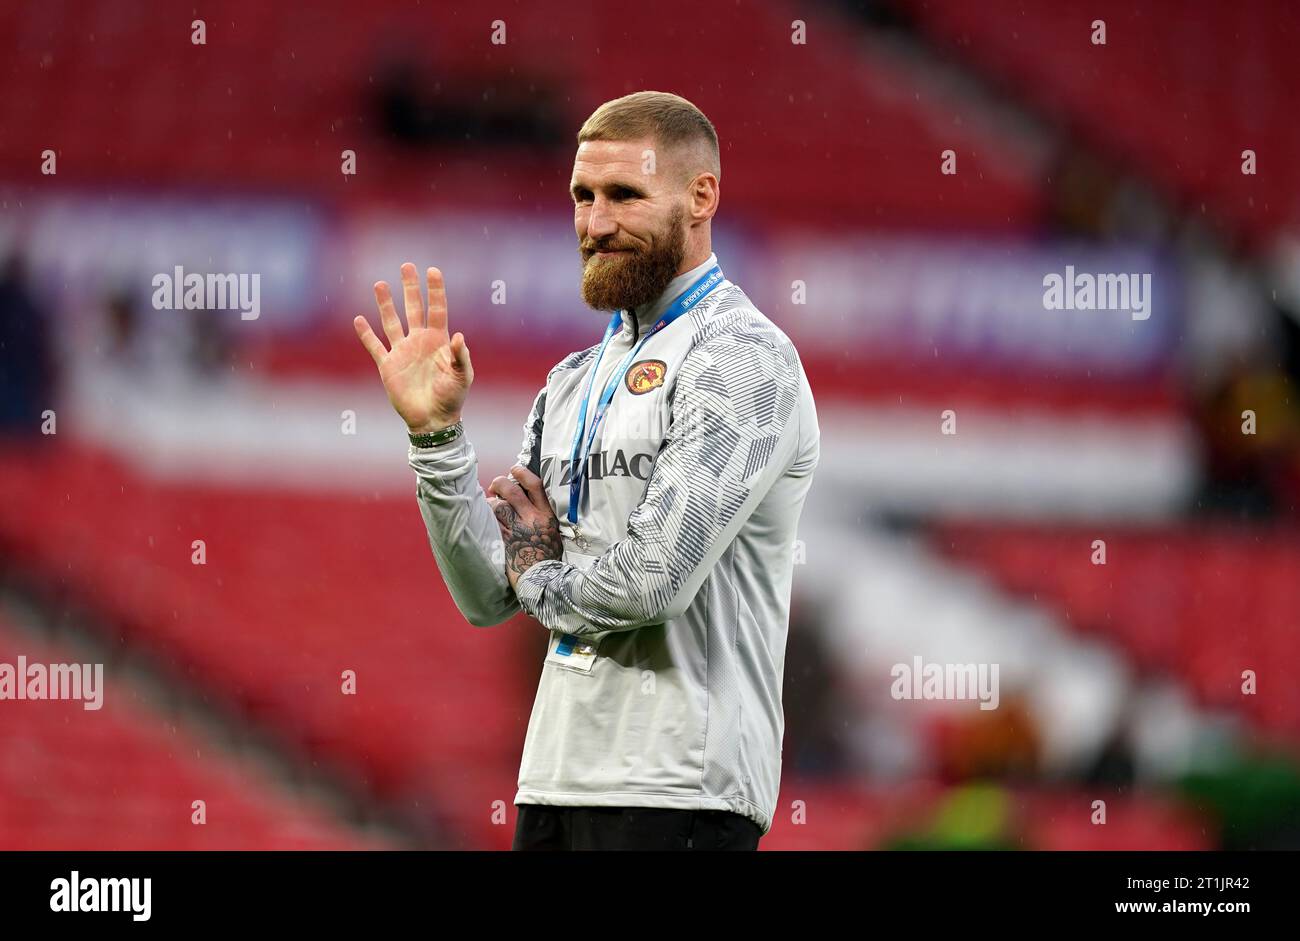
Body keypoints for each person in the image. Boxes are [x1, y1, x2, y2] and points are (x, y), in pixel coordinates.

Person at [354, 91, 820, 850]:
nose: (595, 223)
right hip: (553, 781)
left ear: (700, 197)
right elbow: (486, 593)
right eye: (583, 195)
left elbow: (652, 582)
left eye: (624, 196)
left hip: (684, 792)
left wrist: (539, 575)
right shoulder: (572, 380)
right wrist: (436, 437)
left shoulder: (743, 358)